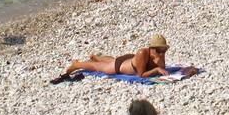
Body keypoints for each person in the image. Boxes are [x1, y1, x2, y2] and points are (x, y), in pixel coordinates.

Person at [62, 35, 192, 80]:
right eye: (159, 50)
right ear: (151, 48)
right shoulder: (143, 53)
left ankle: (96, 56)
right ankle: (76, 64)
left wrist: (160, 58)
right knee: (95, 67)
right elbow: (141, 75)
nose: (161, 53)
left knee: (112, 59)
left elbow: (162, 68)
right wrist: (156, 70)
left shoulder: (158, 54)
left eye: (164, 50)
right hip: (118, 68)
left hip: (127, 60)